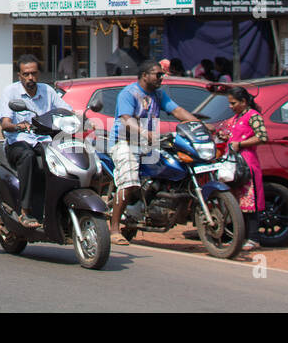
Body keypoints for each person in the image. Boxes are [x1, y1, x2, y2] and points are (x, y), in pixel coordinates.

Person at [108, 59, 201, 245]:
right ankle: (114, 228)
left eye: (162, 74)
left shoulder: (158, 94)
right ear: (145, 75)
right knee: (128, 182)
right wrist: (143, 132)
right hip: (125, 142)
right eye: (158, 74)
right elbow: (126, 119)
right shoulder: (129, 93)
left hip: (149, 143)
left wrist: (200, 125)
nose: (161, 77)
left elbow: (178, 111)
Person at [0, 54, 70, 227]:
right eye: (26, 74)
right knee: (28, 157)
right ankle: (25, 212)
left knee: (64, 157)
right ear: (19, 75)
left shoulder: (48, 91)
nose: (30, 77)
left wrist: (80, 118)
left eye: (34, 73)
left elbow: (66, 109)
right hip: (18, 142)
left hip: (44, 140)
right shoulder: (11, 92)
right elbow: (5, 123)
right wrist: (18, 126)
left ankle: (58, 207)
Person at [215, 86, 268, 253]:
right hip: (234, 164)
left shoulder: (254, 117)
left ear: (244, 102)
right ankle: (239, 237)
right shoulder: (237, 118)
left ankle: (253, 238)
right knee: (237, 202)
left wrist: (240, 144)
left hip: (247, 164)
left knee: (249, 202)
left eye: (233, 103)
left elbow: (262, 137)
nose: (230, 106)